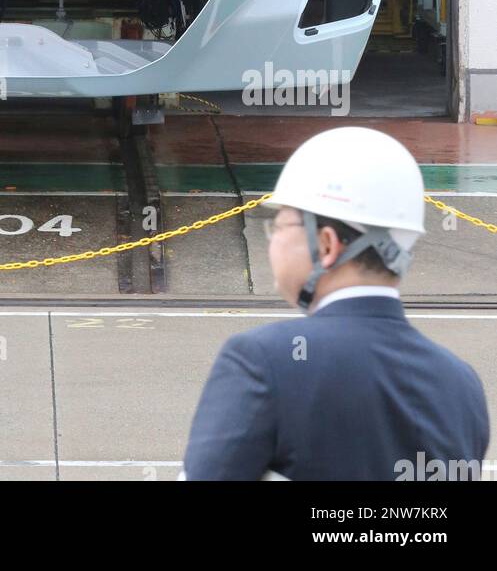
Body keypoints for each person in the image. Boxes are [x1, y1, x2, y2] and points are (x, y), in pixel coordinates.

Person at [182, 126, 489, 480]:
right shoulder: (461, 383)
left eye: (280, 226)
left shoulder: (262, 359)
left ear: (326, 244)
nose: (273, 242)